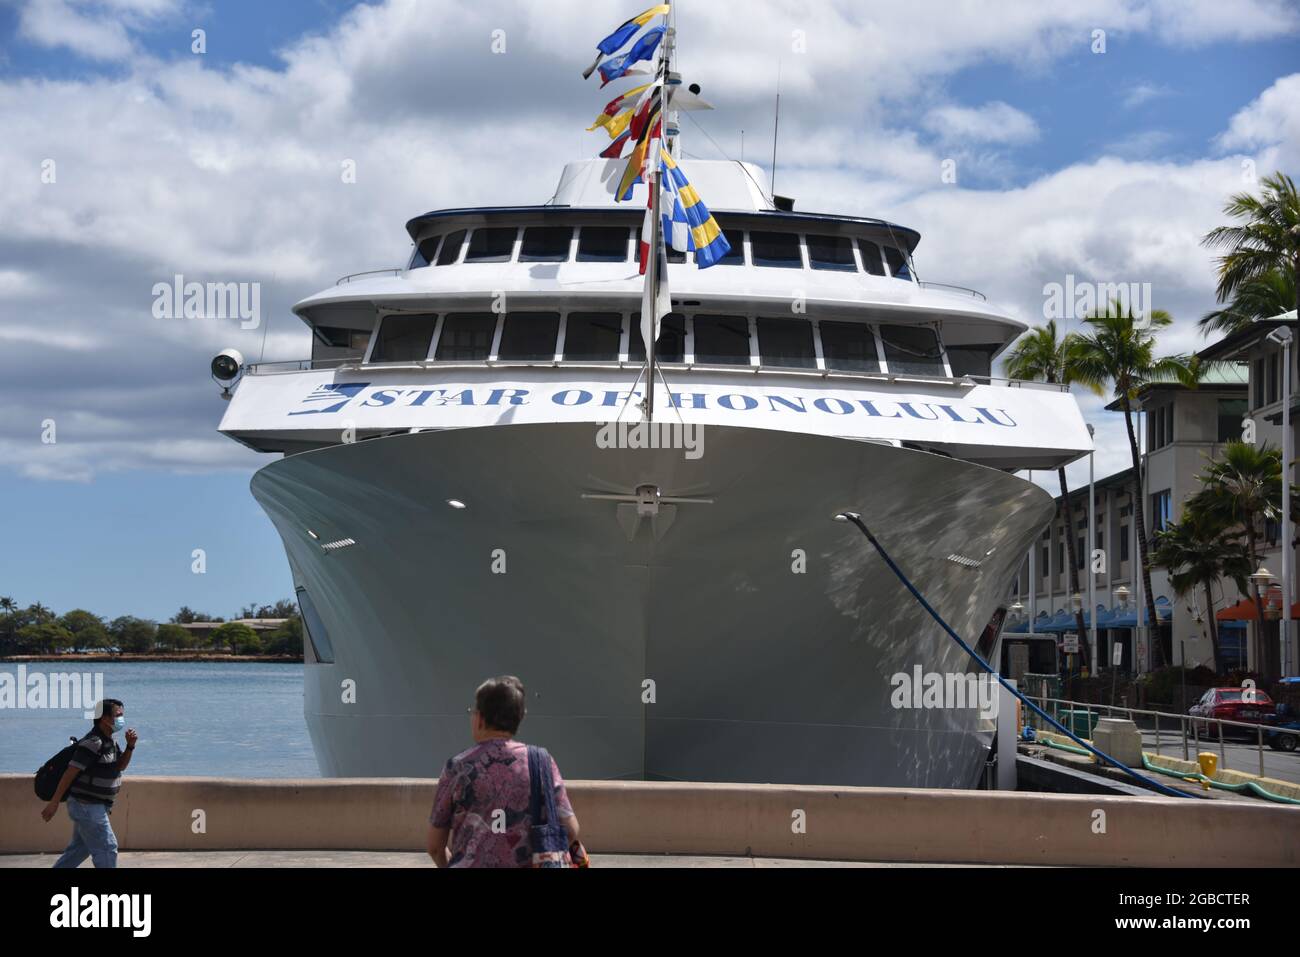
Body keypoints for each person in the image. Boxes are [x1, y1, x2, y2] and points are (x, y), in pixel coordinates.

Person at [427, 675, 580, 867]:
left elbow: (434, 846)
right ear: (519, 718)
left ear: (480, 718)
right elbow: (571, 829)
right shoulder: (542, 762)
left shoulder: (457, 767)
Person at [42, 698, 137, 868]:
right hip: (86, 805)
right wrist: (54, 802)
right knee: (107, 847)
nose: (121, 719)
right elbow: (69, 773)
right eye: (118, 715)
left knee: (79, 849)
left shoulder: (111, 742)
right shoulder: (93, 742)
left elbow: (120, 766)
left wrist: (130, 746)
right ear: (105, 719)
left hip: (94, 806)